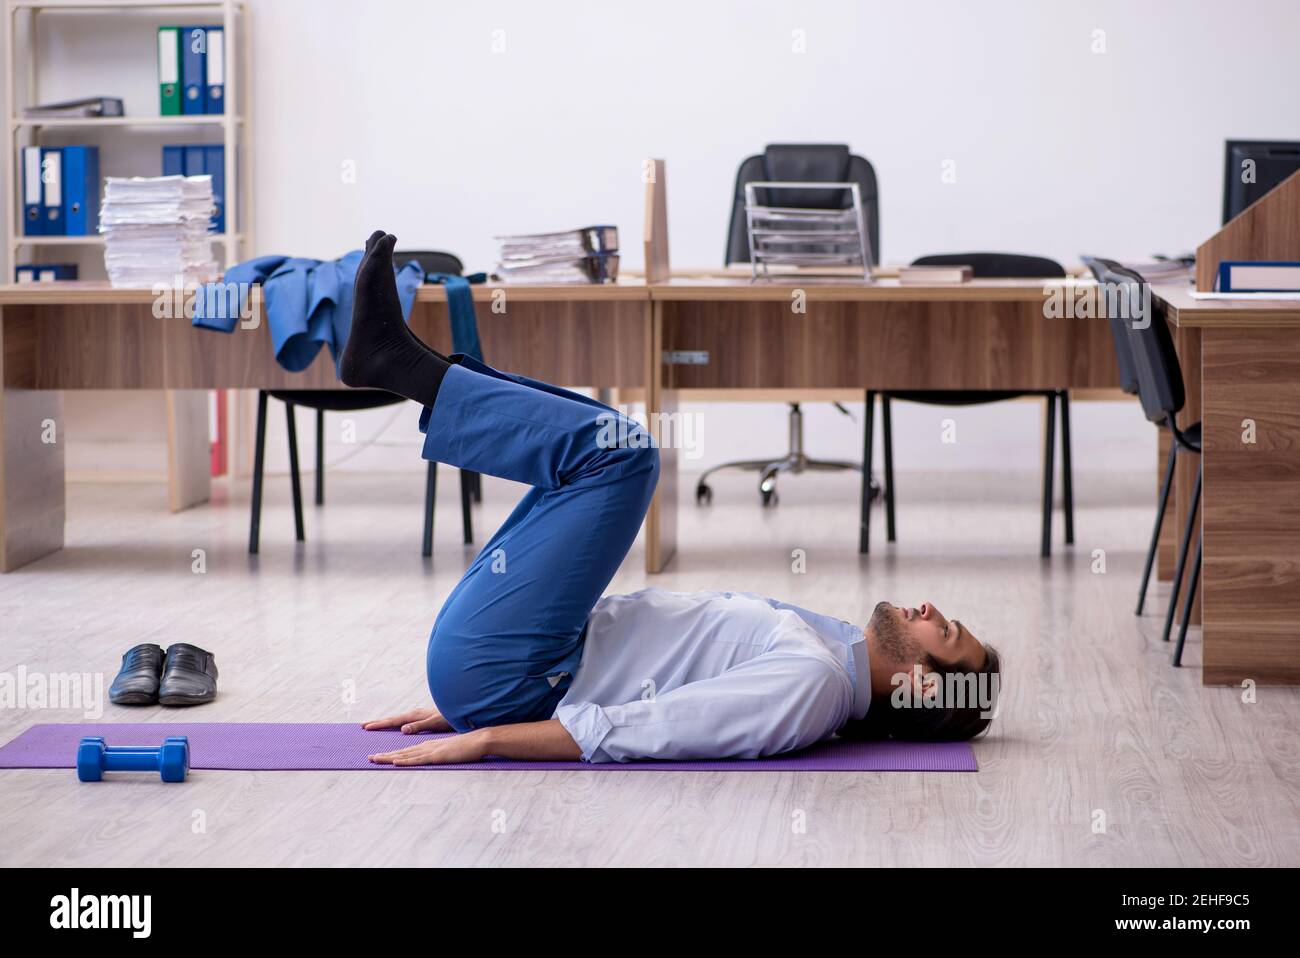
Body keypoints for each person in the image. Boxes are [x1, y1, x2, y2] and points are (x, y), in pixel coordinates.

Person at [340, 231, 1001, 765]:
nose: (929, 608)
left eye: (940, 631)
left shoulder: (815, 686)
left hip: (516, 671)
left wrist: (490, 733)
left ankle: (400, 365)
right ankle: (405, 363)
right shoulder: (826, 654)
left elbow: (657, 726)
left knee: (623, 455)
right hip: (511, 667)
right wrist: (467, 704)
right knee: (591, 456)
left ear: (921, 684)